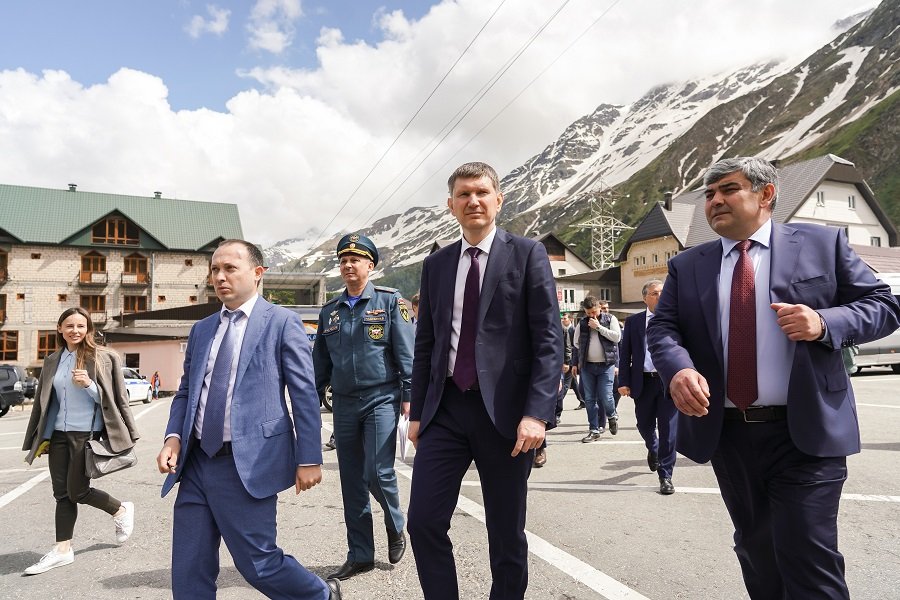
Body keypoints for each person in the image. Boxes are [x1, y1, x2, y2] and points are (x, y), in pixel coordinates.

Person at [647, 157, 900, 599]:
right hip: (729, 435)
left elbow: (884, 305)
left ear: (766, 194)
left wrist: (824, 322)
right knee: (757, 551)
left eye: (729, 189)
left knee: (807, 554)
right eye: (709, 194)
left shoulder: (822, 244)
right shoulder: (688, 265)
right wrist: (679, 368)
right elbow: (664, 329)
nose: (715, 201)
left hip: (806, 430)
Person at [407, 161, 562, 600]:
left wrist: (537, 414)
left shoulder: (527, 254)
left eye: (481, 192)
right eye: (463, 194)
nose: (473, 201)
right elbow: (426, 344)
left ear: (498, 199)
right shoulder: (436, 264)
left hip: (507, 415)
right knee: (423, 521)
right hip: (446, 410)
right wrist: (417, 413)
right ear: (450, 205)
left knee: (506, 531)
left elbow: (549, 339)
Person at [156, 239, 341, 600]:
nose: (219, 277)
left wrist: (309, 458)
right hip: (196, 463)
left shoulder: (282, 323)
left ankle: (321, 595)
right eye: (214, 269)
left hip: (247, 463)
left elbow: (304, 395)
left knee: (259, 564)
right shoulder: (202, 329)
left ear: (257, 273)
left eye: (230, 268)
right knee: (189, 567)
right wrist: (173, 437)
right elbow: (187, 392)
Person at [312, 232, 414, 580]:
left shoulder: (390, 301)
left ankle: (395, 525)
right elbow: (320, 363)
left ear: (370, 266)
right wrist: (310, 401)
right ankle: (360, 554)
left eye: (355, 260)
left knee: (376, 471)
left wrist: (409, 397)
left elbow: (406, 354)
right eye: (343, 261)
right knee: (352, 481)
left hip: (381, 398)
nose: (348, 265)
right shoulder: (330, 311)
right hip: (343, 403)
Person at [22, 307, 139, 575]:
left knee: (77, 491)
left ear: (88, 329)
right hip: (58, 435)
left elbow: (116, 398)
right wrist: (41, 436)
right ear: (60, 329)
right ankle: (62, 549)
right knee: (61, 494)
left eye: (81, 326)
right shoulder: (53, 360)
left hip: (85, 434)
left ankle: (120, 509)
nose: (75, 330)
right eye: (69, 326)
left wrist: (89, 385)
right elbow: (44, 402)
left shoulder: (103, 357)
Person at [618, 279, 678, 495]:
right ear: (645, 298)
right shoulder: (634, 322)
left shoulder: (676, 318)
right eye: (655, 293)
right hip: (643, 381)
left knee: (669, 430)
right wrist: (623, 382)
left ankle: (666, 475)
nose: (660, 296)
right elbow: (625, 353)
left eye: (662, 292)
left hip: (668, 381)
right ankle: (653, 448)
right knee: (644, 424)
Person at [573, 297, 620, 442]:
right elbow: (576, 342)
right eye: (588, 313)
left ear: (599, 307)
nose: (592, 315)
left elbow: (617, 338)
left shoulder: (610, 319)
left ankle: (612, 415)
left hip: (606, 365)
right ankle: (594, 430)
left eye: (594, 312)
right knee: (589, 399)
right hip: (588, 366)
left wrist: (599, 327)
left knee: (606, 395)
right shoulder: (582, 322)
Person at [533, 312, 573, 468]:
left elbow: (558, 347)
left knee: (538, 409)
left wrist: (558, 372)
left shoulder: (554, 324)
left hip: (545, 370)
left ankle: (540, 449)